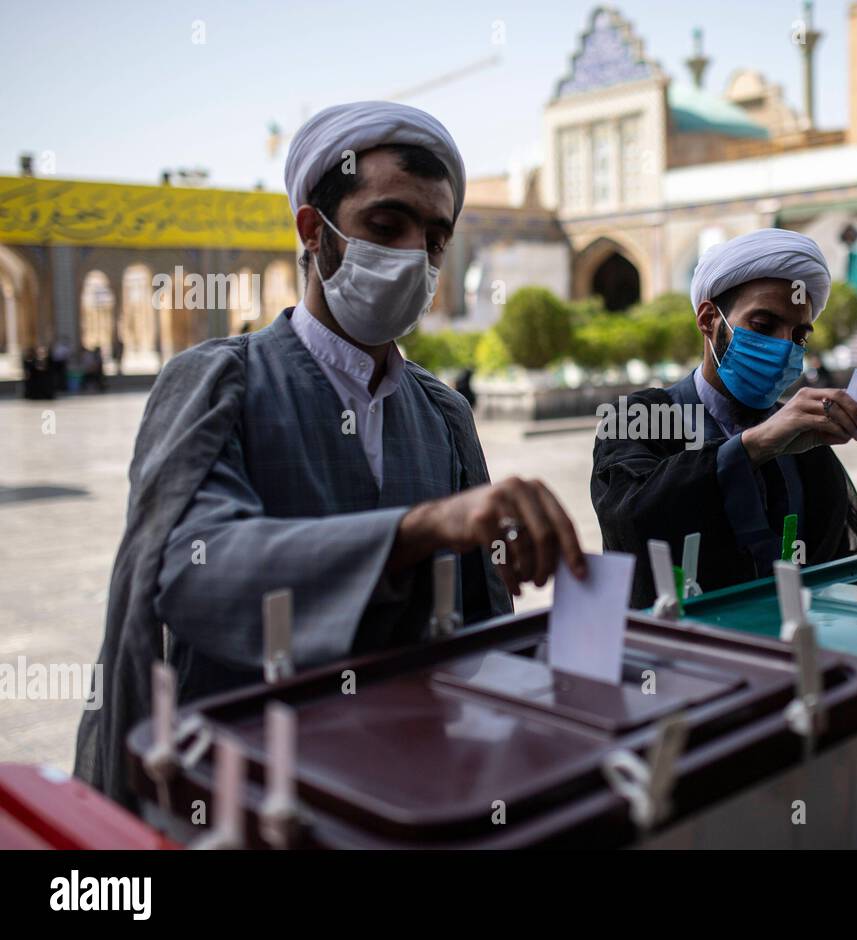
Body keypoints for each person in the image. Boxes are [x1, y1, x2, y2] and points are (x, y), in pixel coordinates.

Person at [75, 101, 587, 809]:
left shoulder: (442, 416)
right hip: (248, 796)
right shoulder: (221, 384)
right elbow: (191, 570)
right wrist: (419, 532)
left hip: (409, 797)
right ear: (314, 231)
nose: (414, 254)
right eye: (385, 225)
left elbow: (481, 629)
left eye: (434, 238)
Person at [591, 229, 857, 608]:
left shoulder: (804, 439)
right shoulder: (640, 417)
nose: (785, 347)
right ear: (709, 320)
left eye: (799, 335)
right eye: (763, 326)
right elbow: (632, 518)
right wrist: (754, 446)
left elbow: (841, 559)